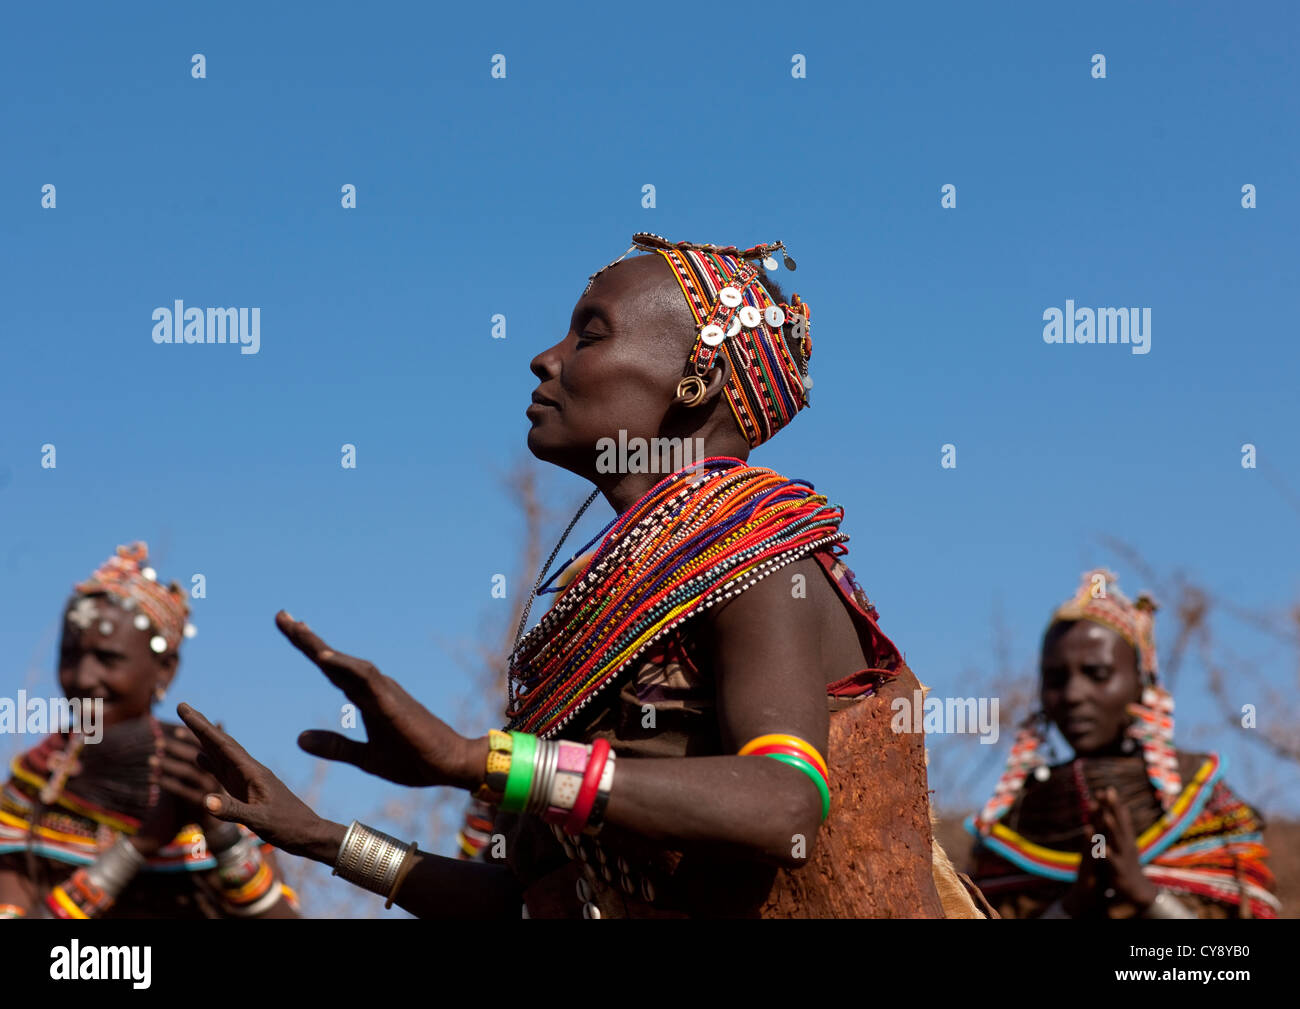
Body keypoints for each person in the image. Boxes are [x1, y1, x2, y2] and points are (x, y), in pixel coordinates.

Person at [177, 233, 977, 918]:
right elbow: (528, 901)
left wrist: (481, 760)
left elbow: (785, 802)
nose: (545, 357)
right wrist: (327, 839)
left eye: (589, 335)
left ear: (694, 381)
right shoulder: (610, 602)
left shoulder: (762, 562)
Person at [0, 543, 298, 919]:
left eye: (109, 659)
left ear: (165, 670)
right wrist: (138, 846)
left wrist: (219, 828)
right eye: (70, 655)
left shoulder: (205, 772)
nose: (84, 678)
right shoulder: (31, 788)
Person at [965, 568, 1279, 919]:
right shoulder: (1013, 821)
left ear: (1140, 682)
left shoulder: (1204, 801)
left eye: (1097, 674)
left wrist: (1145, 895)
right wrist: (1072, 906)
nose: (1073, 695)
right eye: (1056, 678)